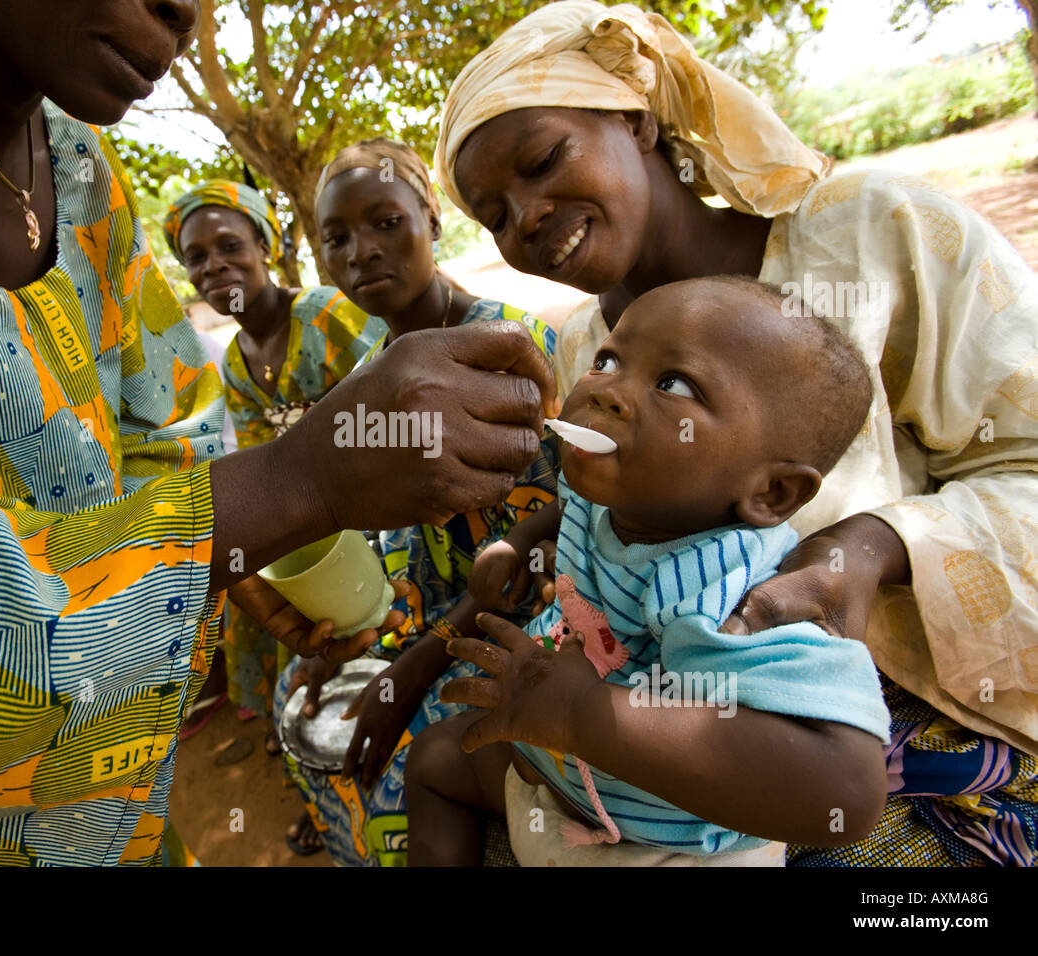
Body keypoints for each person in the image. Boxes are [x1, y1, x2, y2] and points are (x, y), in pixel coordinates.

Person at [0, 0, 558, 866]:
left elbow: (168, 433)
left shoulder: (80, 160)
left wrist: (241, 553)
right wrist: (291, 489)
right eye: (338, 238)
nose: (189, 14)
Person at [431, 0, 1038, 866]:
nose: (524, 216)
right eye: (491, 213)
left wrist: (868, 548)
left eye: (542, 159)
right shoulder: (575, 346)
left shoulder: (871, 235)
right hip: (653, 739)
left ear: (636, 121)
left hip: (895, 725)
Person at [408, 275, 893, 866]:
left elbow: (847, 789)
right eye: (609, 359)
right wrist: (517, 542)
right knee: (433, 761)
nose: (610, 390)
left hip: (664, 838)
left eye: (674, 383)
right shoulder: (619, 490)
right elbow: (572, 507)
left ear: (772, 491)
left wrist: (582, 716)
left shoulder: (721, 590)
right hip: (554, 763)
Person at [270, 137, 559, 866]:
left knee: (397, 752)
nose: (361, 252)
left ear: (431, 217)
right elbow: (383, 541)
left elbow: (548, 535)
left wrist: (423, 659)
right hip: (420, 609)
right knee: (303, 697)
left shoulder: (513, 344)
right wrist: (346, 633)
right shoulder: (369, 377)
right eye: (336, 238)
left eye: (385, 223)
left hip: (524, 612)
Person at [164, 181, 385, 770]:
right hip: (321, 513)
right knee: (247, 588)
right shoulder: (235, 361)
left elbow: (398, 402)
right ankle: (292, 721)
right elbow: (265, 463)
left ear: (265, 246)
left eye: (230, 245)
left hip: (386, 500)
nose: (214, 266)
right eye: (196, 257)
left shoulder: (321, 313)